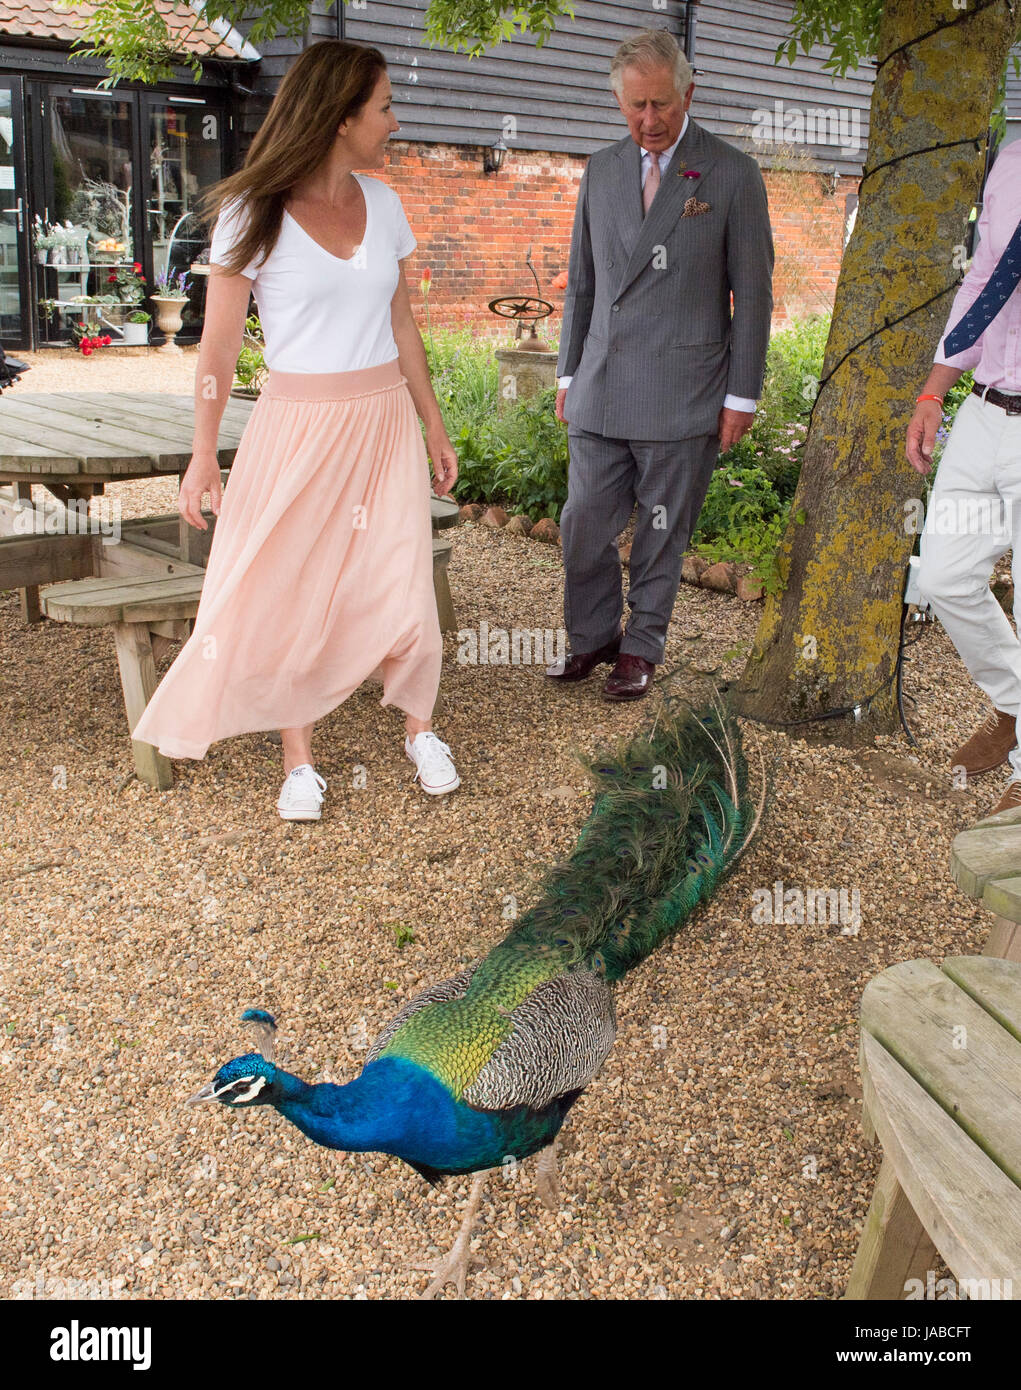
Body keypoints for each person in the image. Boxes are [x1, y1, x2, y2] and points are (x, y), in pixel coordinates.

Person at [131, 40, 460, 820]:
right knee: (291, 584)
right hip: (298, 426)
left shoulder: (385, 205)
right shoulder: (252, 209)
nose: (394, 120)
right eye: (384, 106)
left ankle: (420, 731)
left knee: (399, 573)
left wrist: (433, 425)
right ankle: (299, 760)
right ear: (342, 116)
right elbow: (215, 346)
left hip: (382, 422)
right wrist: (203, 454)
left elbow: (402, 323)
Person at [548, 27, 774, 701]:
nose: (647, 121)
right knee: (582, 522)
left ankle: (640, 646)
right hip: (599, 384)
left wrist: (742, 397)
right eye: (633, 106)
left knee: (657, 532)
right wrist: (566, 372)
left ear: (688, 92)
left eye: (660, 105)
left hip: (684, 390)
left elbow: (753, 294)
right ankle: (591, 636)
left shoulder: (730, 173)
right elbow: (582, 279)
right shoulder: (601, 168)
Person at [908, 136, 1021, 817]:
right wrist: (931, 392)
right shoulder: (1011, 156)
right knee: (945, 576)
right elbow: (984, 277)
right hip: (984, 411)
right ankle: (1013, 705)